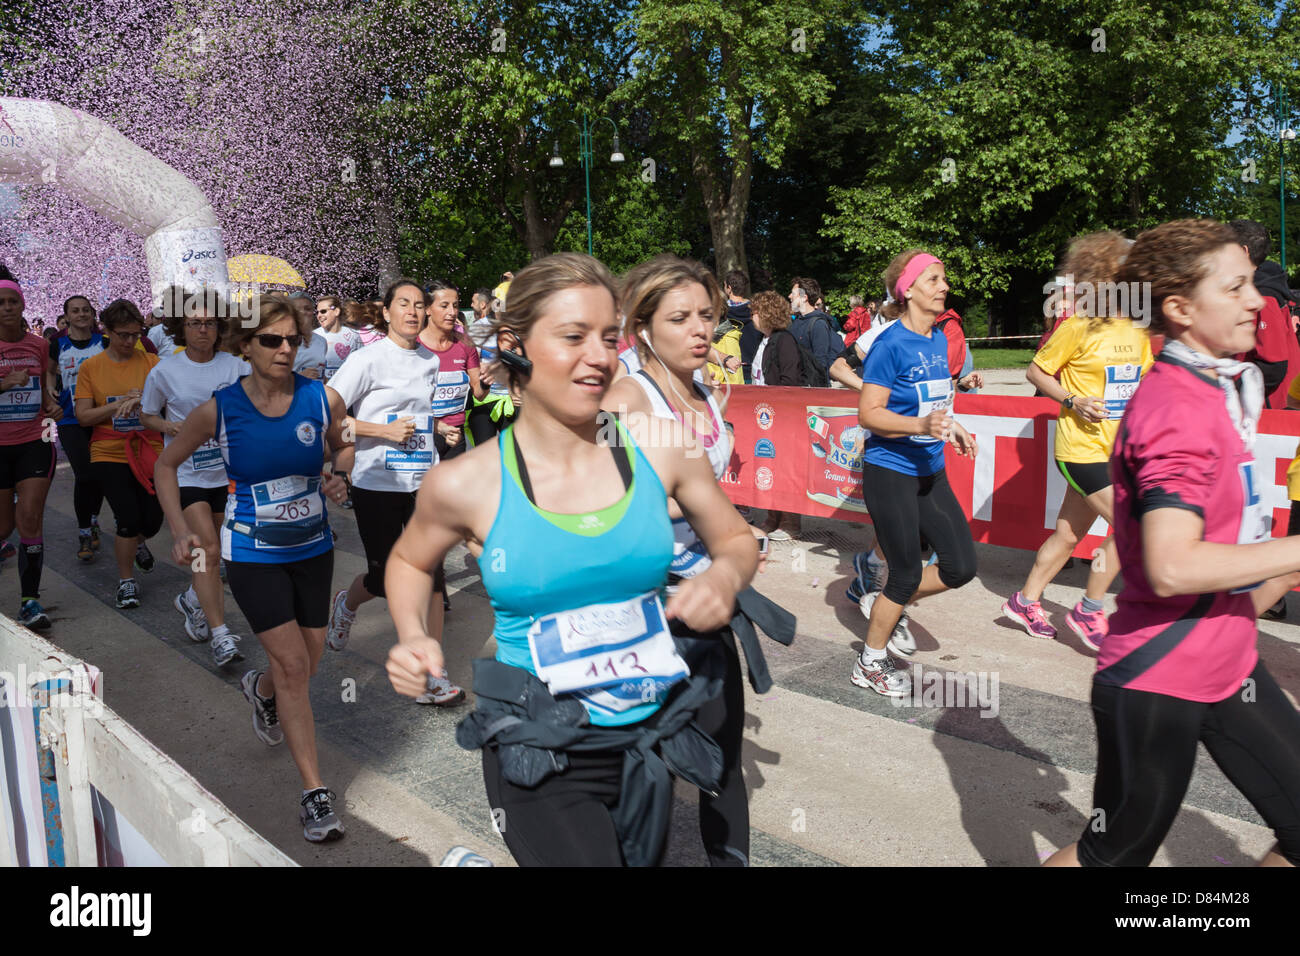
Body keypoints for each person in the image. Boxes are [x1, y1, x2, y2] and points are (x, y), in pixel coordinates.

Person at [383, 252, 758, 866]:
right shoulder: (467, 483)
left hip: (645, 738)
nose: (599, 356)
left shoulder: (661, 450)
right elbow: (406, 562)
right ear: (515, 343)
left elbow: (737, 540)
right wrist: (410, 636)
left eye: (609, 337)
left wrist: (723, 574)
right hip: (537, 742)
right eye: (573, 336)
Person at [1045, 219, 1300, 869]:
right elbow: (1170, 564)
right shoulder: (1178, 408)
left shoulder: (1215, 384)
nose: (1257, 301)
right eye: (1237, 287)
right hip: (1159, 676)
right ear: (1181, 308)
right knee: (1111, 856)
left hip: (1228, 661)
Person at [602, 254, 790, 867]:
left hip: (705, 602)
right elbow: (599, 501)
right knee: (645, 769)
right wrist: (698, 514)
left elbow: (709, 489)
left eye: (707, 315)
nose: (700, 329)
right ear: (645, 327)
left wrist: (726, 541)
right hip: (638, 609)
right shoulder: (627, 395)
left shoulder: (708, 394)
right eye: (680, 318)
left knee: (720, 759)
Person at [156, 294, 351, 843]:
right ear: (245, 345)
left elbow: (348, 439)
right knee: (293, 666)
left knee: (303, 666)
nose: (285, 349)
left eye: (293, 339)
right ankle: (315, 793)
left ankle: (259, 690)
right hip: (252, 553)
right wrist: (179, 529)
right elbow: (166, 465)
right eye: (272, 339)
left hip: (313, 549)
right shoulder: (219, 408)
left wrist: (340, 471)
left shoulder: (321, 398)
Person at [1003, 232, 1153, 649]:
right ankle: (1090, 609)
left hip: (1117, 448)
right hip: (1081, 449)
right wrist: (1073, 399)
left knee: (1069, 535)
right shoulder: (1078, 324)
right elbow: (1036, 373)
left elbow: (1145, 382)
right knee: (1132, 524)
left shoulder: (1137, 328)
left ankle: (1024, 600)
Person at [324, 279, 465, 706]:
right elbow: (331, 413)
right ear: (385, 313)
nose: (413, 311)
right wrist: (378, 430)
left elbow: (416, 411)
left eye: (419, 305)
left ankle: (432, 673)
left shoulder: (430, 360)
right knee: (386, 579)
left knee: (433, 575)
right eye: (403, 304)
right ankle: (348, 602)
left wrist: (437, 428)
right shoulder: (367, 360)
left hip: (423, 482)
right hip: (377, 483)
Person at [853, 249, 979, 697]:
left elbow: (934, 402)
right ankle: (870, 661)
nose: (943, 286)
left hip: (931, 469)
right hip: (891, 472)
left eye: (943, 278)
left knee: (961, 567)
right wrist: (920, 426)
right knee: (905, 573)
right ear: (907, 291)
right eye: (933, 279)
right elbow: (869, 414)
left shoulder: (937, 341)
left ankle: (884, 602)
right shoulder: (890, 345)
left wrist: (951, 425)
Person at [139, 286, 248, 666]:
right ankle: (221, 636)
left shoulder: (237, 367)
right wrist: (169, 427)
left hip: (229, 475)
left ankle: (191, 599)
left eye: (209, 323)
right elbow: (146, 415)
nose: (202, 329)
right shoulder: (166, 370)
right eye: (194, 323)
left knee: (220, 555)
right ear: (181, 329)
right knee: (208, 552)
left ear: (220, 328)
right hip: (188, 474)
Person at [74, 299, 163, 609]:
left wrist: (147, 399)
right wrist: (118, 404)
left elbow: (170, 403)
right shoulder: (92, 367)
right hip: (108, 450)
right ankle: (126, 581)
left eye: (135, 334)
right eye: (122, 335)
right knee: (127, 518)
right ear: (107, 332)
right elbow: (84, 416)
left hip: (149, 448)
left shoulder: (152, 362)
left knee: (152, 520)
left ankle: (137, 542)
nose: (129, 341)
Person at [0, 273, 61, 628]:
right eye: (1, 303)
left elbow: (47, 388)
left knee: (30, 520)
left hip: (34, 441)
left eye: (13, 301)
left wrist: (52, 405)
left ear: (23, 305)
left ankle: (30, 602)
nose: (8, 307)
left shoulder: (39, 345)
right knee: (4, 526)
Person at [47, 295, 105, 561]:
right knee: (84, 473)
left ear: (93, 315)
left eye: (86, 310)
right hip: (70, 418)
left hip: (100, 417)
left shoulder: (103, 343)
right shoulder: (56, 344)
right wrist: (50, 391)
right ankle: (84, 531)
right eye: (75, 311)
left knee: (100, 472)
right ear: (67, 316)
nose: (81, 314)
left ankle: (92, 519)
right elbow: (47, 371)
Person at [1229, 219, 1300, 408]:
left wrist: (1234, 392)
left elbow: (1273, 366)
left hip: (1271, 411)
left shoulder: (1264, 298)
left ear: (1243, 252)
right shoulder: (1257, 290)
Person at [749, 290, 803, 541]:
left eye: (755, 312)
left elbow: (789, 380)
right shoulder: (766, 340)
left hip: (781, 416)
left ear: (767, 314)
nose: (752, 317)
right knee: (768, 464)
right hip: (765, 416)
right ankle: (773, 516)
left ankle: (791, 521)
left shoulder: (784, 341)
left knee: (785, 468)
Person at [419, 280, 485, 461]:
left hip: (456, 435)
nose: (452, 312)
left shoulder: (465, 343)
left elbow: (479, 393)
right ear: (427, 309)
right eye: (444, 306)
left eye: (455, 306)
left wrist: (487, 379)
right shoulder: (413, 345)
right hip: (422, 434)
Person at [788, 276, 841, 381]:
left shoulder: (818, 324)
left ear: (804, 297)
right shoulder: (796, 322)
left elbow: (820, 363)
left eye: (793, 294)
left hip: (812, 388)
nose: (789, 296)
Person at [313, 295, 361, 383]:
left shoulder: (354, 335)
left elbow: (360, 366)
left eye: (323, 311)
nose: (319, 315)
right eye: (317, 312)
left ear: (336, 311)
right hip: (320, 390)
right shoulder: (314, 335)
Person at [289, 292, 327, 380]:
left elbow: (320, 372)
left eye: (307, 309)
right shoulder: (282, 341)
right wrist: (299, 378)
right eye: (297, 309)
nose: (303, 312)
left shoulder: (321, 342)